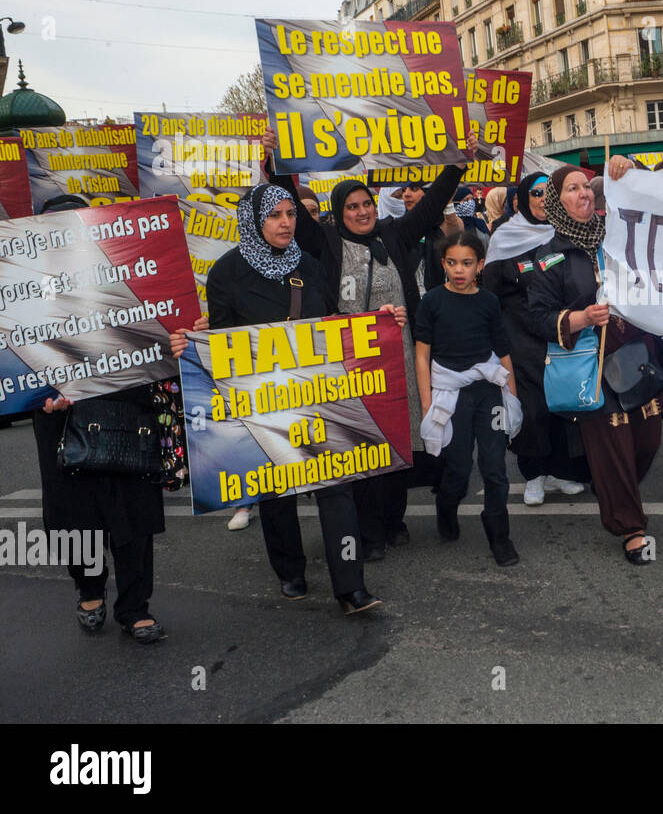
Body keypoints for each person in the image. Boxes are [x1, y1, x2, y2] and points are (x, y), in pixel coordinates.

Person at [171, 184, 384, 614]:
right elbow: (222, 342)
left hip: (318, 393)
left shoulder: (307, 263)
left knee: (337, 487)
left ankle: (350, 585)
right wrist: (194, 343)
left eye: (290, 214)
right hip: (262, 402)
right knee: (276, 491)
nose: (287, 222)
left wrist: (377, 324)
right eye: (276, 216)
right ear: (254, 221)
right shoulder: (227, 273)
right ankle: (290, 571)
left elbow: (330, 321)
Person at [266, 133, 474, 560]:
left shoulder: (394, 235)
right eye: (352, 207)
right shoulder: (324, 241)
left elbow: (433, 203)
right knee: (361, 447)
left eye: (366, 204)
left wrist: (458, 164)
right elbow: (292, 209)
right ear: (338, 213)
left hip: (399, 358)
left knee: (398, 443)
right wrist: (276, 160)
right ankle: (368, 530)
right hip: (349, 363)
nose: (362, 212)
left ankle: (393, 520)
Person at [32, 194, 167, 644]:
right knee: (75, 513)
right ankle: (89, 589)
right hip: (61, 417)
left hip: (126, 406)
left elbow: (157, 330)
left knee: (132, 508)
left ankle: (135, 607)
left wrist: (182, 338)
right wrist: (42, 395)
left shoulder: (125, 278)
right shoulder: (21, 292)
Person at [527, 163, 663, 563]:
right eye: (572, 189)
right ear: (558, 203)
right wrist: (580, 319)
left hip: (638, 357)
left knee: (646, 442)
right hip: (593, 366)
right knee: (613, 445)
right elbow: (539, 318)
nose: (584, 194)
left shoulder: (619, 237)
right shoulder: (548, 257)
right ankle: (630, 526)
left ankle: (611, 486)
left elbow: (655, 206)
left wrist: (632, 171)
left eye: (586, 187)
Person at [482, 170, 588, 507]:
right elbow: (490, 293)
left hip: (558, 333)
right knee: (532, 408)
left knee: (562, 402)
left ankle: (559, 469)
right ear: (523, 200)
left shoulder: (564, 232)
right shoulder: (506, 237)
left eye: (548, 193)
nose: (544, 200)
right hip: (520, 339)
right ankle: (533, 474)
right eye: (537, 193)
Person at [415, 231, 521, 565]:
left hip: (488, 390)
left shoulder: (488, 301)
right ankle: (446, 505)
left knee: (494, 467)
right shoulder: (431, 301)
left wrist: (512, 399)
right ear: (442, 263)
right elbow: (422, 357)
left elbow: (502, 351)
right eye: (451, 262)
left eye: (467, 263)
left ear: (481, 265)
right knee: (458, 468)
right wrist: (427, 404)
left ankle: (499, 535)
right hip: (450, 395)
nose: (459, 270)